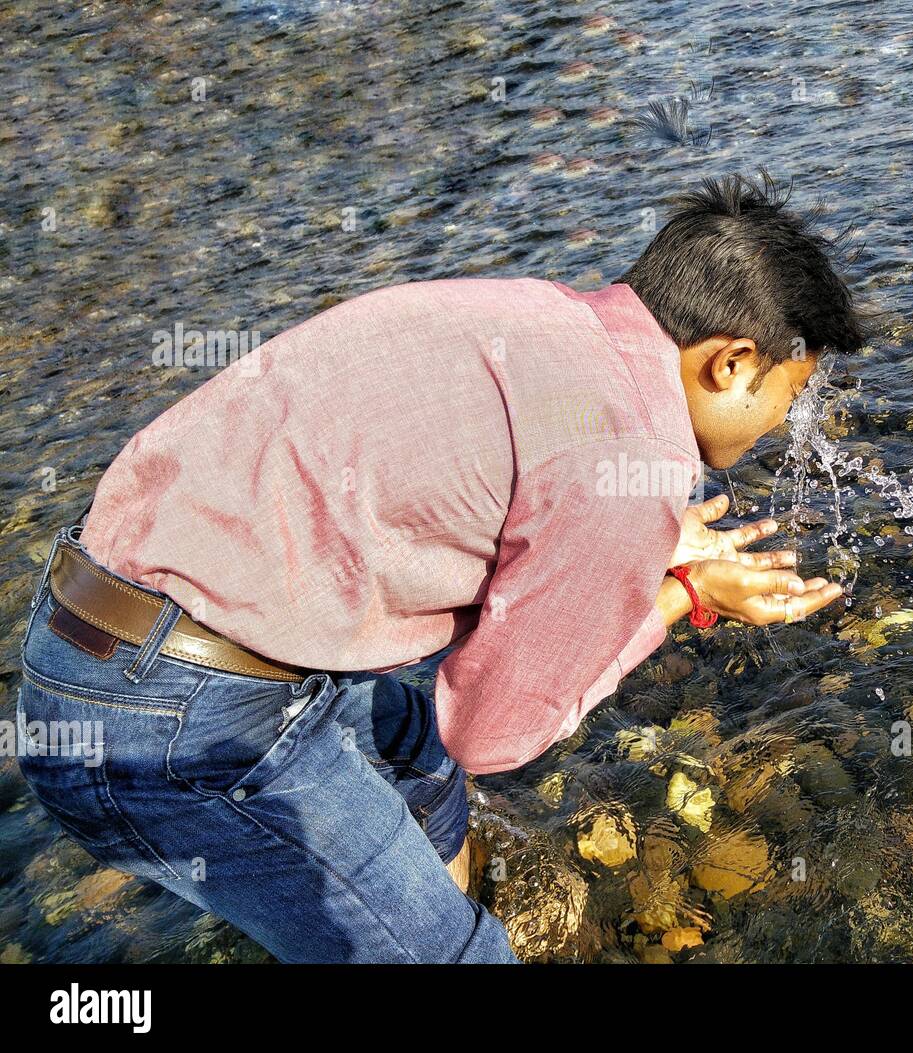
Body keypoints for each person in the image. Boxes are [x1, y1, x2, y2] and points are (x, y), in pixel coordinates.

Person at [17, 173, 862, 963]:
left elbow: (472, 484)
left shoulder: (536, 316)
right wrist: (683, 593)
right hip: (171, 723)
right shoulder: (632, 453)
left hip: (100, 625)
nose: (785, 424)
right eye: (791, 393)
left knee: (419, 759)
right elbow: (491, 733)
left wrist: (629, 539)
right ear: (733, 362)